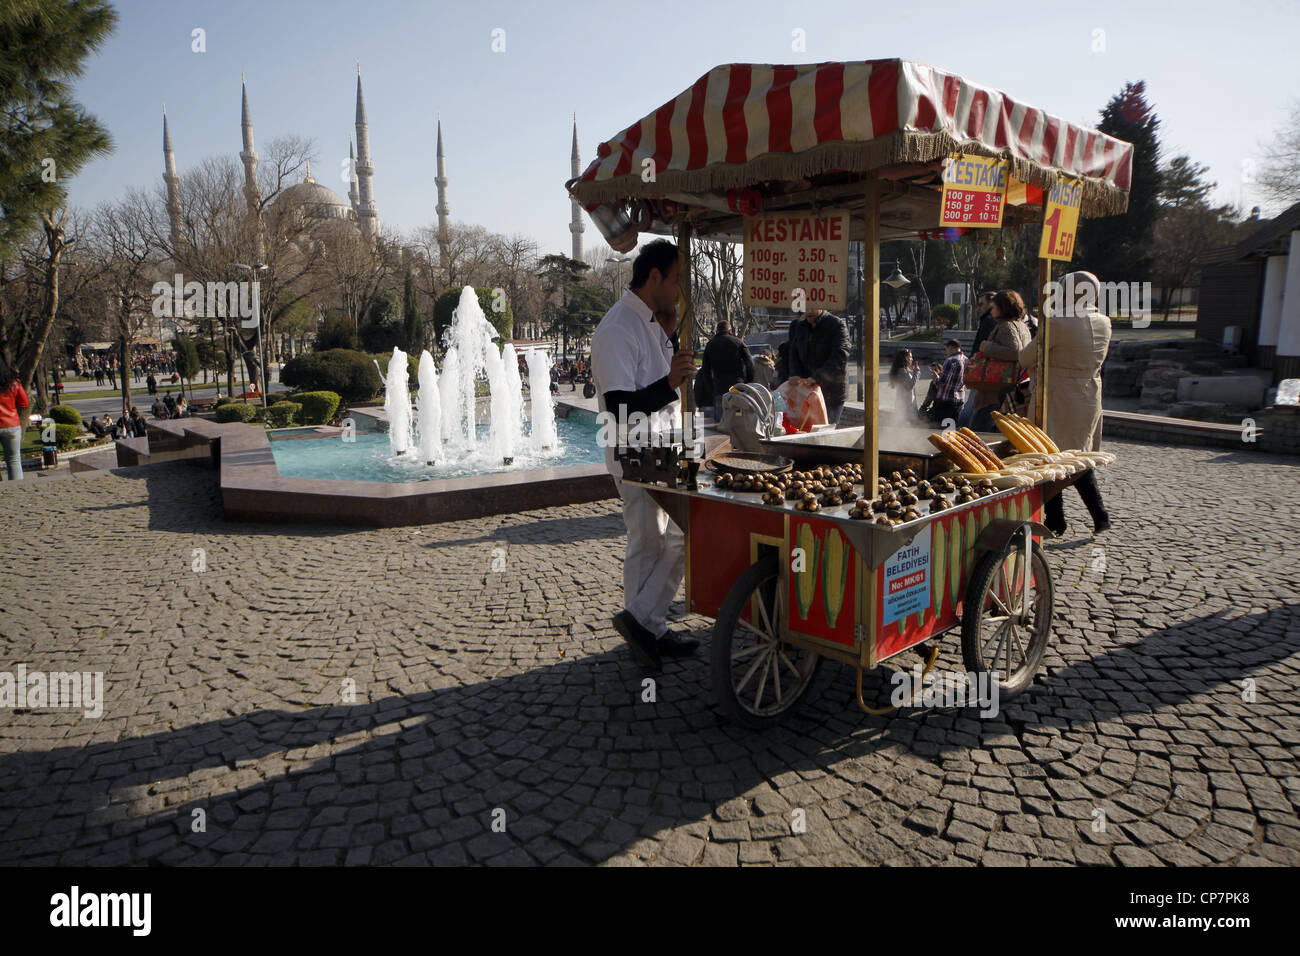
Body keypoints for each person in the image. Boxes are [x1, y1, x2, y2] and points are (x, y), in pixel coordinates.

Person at [590, 239, 698, 670]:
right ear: (653, 276)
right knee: (664, 537)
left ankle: (644, 627)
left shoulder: (652, 323)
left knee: (662, 540)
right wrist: (671, 382)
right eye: (675, 280)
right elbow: (618, 408)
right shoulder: (617, 329)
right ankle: (643, 625)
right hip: (635, 454)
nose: (679, 289)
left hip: (665, 447)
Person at [1019, 271, 1112, 536]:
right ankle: (1099, 515)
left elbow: (1025, 358)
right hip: (1089, 394)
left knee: (1048, 459)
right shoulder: (1104, 321)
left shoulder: (1058, 323)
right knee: (1080, 457)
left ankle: (1056, 519)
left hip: (1056, 396)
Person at [968, 290, 1032, 434]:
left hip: (994, 392)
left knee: (978, 436)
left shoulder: (1006, 326)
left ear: (1003, 308)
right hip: (1011, 390)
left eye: (994, 307)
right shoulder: (1021, 325)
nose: (991, 311)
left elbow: (1015, 352)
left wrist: (987, 347)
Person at [785, 307, 850, 426]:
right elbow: (793, 352)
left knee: (826, 431)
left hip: (831, 393)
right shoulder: (799, 326)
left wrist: (818, 377)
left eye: (812, 306)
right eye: (806, 307)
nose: (809, 311)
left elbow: (841, 355)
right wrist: (795, 374)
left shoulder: (836, 324)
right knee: (804, 431)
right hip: (807, 392)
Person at [699, 321, 754, 423]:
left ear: (716, 331)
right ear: (730, 331)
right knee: (739, 421)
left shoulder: (710, 345)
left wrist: (711, 388)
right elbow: (750, 364)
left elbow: (705, 370)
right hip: (738, 388)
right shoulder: (738, 342)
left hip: (719, 388)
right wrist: (748, 383)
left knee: (721, 422)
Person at [960, 292, 998, 427]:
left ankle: (963, 434)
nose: (978, 308)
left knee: (972, 409)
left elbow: (981, 347)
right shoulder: (990, 320)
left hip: (982, 372)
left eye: (981, 304)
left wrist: (973, 363)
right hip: (985, 373)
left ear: (991, 304)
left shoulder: (989, 320)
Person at [0, 357, 31, 481]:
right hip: (11, 425)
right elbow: (24, 403)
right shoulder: (14, 384)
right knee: (14, 460)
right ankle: (17, 489)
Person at [928, 339, 967, 426]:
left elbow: (942, 382)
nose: (947, 352)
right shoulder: (966, 360)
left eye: (947, 350)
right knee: (951, 431)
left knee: (939, 430)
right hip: (959, 400)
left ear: (950, 348)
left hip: (945, 401)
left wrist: (936, 378)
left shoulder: (951, 360)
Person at [888, 349, 920, 415]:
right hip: (906, 408)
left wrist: (916, 373)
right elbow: (909, 386)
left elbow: (912, 383)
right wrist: (916, 373)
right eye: (910, 357)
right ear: (904, 358)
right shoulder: (902, 371)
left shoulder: (904, 370)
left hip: (905, 405)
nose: (912, 359)